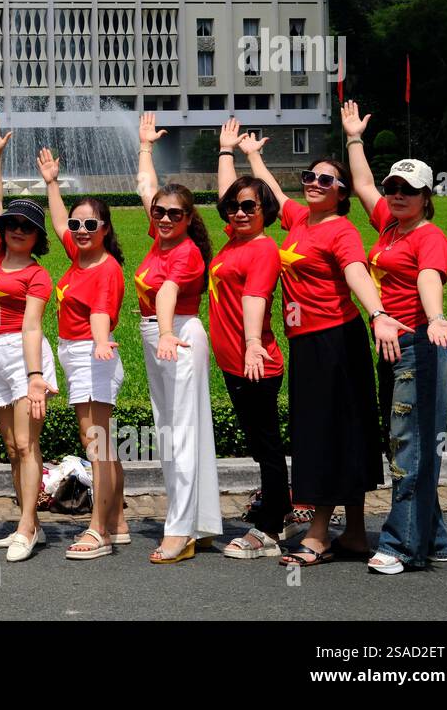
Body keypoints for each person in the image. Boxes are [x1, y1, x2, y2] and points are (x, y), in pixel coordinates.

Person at [240, 129, 406, 566]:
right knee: (346, 430)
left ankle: (318, 534)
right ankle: (353, 532)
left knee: (326, 433)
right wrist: (254, 156)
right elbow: (273, 191)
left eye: (326, 180)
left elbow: (355, 272)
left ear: (341, 193)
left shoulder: (341, 230)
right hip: (310, 343)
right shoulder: (300, 221)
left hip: (335, 340)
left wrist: (377, 313)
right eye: (310, 176)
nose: (314, 182)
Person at [342, 101, 447, 575]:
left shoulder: (429, 237)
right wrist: (353, 138)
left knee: (409, 448)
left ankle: (401, 546)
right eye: (394, 187)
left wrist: (435, 318)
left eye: (408, 189)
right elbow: (363, 185)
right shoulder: (390, 227)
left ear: (426, 195)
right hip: (395, 347)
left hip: (420, 346)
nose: (396, 194)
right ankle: (433, 538)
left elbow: (429, 277)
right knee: (410, 443)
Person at [134, 112, 221, 563]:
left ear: (189, 219)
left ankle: (180, 530)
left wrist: (166, 331)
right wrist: (146, 146)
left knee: (179, 435)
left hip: (179, 335)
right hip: (162, 337)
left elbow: (167, 291)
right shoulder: (160, 238)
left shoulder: (186, 254)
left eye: (174, 214)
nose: (164, 217)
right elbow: (148, 186)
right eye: (160, 213)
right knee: (178, 431)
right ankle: (203, 522)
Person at [37, 148, 131, 560]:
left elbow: (100, 312)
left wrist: (98, 341)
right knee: (101, 443)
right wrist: (52, 183)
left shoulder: (105, 268)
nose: (79, 229)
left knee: (97, 445)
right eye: (78, 224)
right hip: (79, 355)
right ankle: (119, 522)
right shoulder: (80, 257)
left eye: (89, 224)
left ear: (106, 229)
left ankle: (99, 531)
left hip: (93, 355)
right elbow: (58, 221)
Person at [0, 117, 57, 562]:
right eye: (12, 225)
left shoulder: (37, 275)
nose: (16, 231)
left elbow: (31, 327)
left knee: (28, 445)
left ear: (37, 237)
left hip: (23, 355)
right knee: (12, 446)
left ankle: (26, 526)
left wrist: (35, 377)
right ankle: (32, 523)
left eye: (26, 228)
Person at [215, 118, 291, 559]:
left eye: (249, 207)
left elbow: (255, 298)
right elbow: (231, 193)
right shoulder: (235, 240)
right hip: (235, 362)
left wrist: (251, 344)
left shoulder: (262, 249)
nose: (239, 213)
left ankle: (270, 529)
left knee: (266, 447)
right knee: (259, 442)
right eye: (234, 209)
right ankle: (275, 508)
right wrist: (228, 152)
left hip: (255, 362)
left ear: (265, 212)